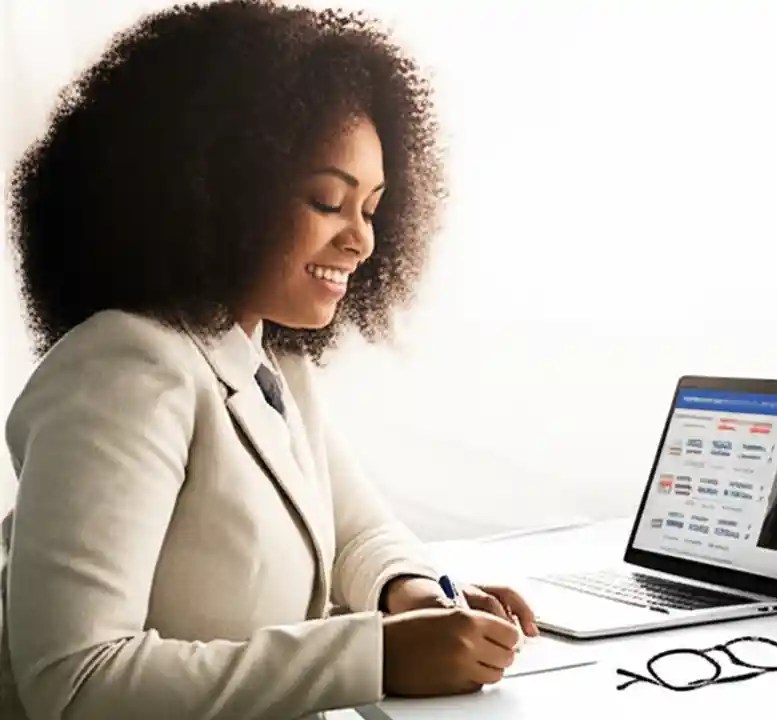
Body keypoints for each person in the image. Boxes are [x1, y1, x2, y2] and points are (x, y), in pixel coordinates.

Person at [0, 3, 538, 719]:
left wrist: (412, 594)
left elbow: (357, 530)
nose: (362, 242)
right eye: (327, 201)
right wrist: (378, 656)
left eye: (372, 209)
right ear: (223, 190)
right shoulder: (124, 370)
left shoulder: (269, 361)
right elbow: (73, 681)